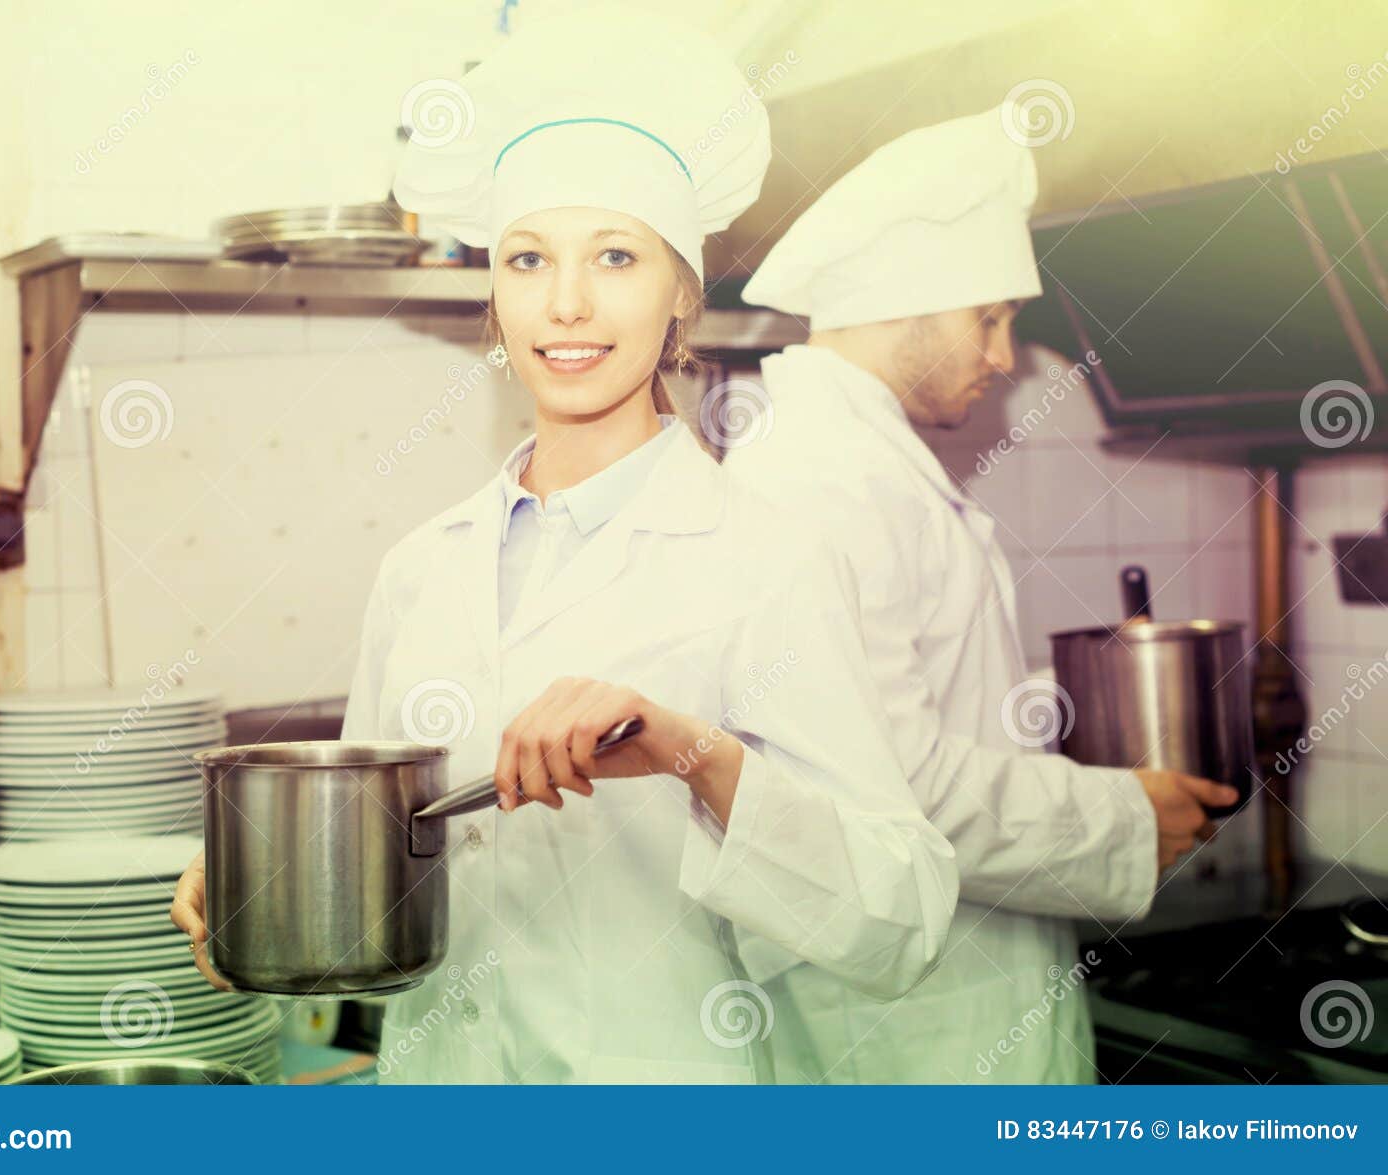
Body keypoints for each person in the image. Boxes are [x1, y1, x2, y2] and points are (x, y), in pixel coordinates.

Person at [173, 4, 958, 1084]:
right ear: (492, 297)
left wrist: (693, 752)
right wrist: (264, 872)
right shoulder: (422, 566)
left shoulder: (767, 557)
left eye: (617, 256)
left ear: (682, 291)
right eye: (528, 259)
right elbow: (370, 852)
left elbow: (901, 911)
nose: (568, 303)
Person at [725, 107, 1239, 1084]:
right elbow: (888, 785)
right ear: (903, 303)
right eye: (990, 317)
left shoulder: (853, 465)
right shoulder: (825, 482)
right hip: (906, 1030)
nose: (1005, 356)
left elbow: (909, 705)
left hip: (939, 1001)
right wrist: (1123, 817)